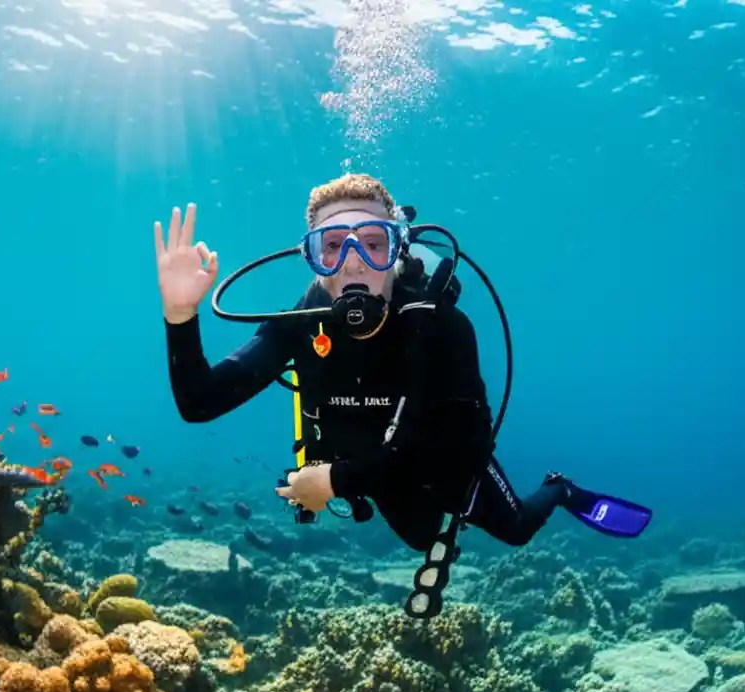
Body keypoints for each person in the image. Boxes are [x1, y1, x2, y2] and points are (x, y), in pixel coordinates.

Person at [155, 174, 650, 569]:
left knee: (516, 529)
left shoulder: (440, 328)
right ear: (314, 259)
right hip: (372, 468)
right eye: (332, 246)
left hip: (434, 462)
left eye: (373, 243)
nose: (353, 263)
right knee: (420, 538)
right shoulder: (299, 326)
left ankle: (559, 488)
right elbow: (200, 402)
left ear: (397, 251)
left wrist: (334, 481)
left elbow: (455, 452)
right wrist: (180, 315)